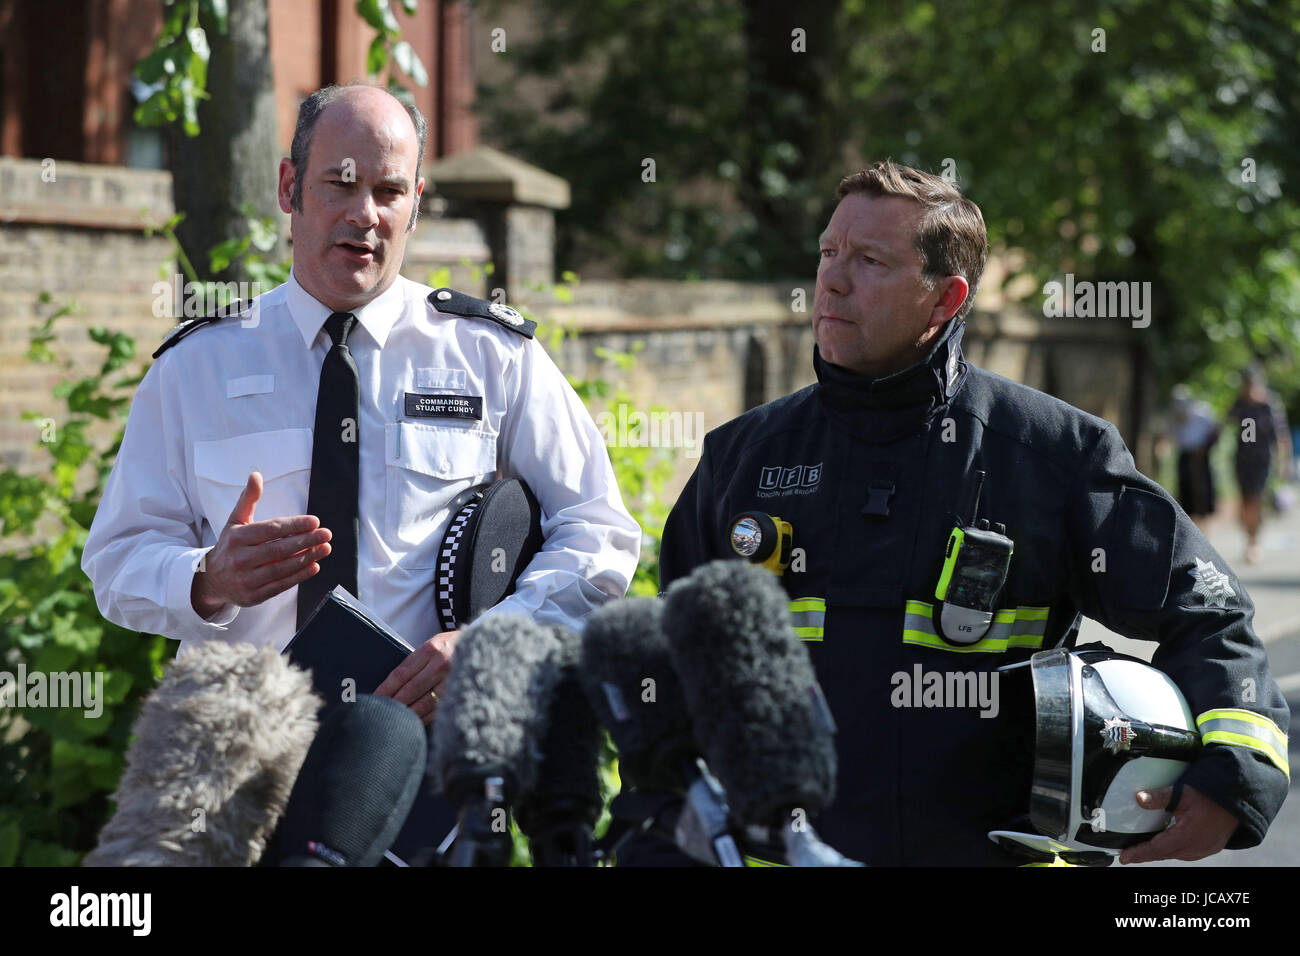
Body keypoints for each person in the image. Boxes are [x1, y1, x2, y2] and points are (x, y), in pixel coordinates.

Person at [644, 160, 1289, 866]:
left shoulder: (1053, 454)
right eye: (829, 252)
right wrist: (650, 825)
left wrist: (1233, 772)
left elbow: (1211, 614)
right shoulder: (743, 458)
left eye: (869, 260)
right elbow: (663, 664)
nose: (829, 280)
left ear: (945, 299)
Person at [82, 84, 641, 728]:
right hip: (237, 757)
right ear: (290, 187)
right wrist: (207, 579)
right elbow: (118, 561)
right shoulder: (197, 367)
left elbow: (598, 530)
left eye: (390, 191)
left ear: (417, 202)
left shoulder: (489, 357)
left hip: (428, 752)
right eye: (340, 184)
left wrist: (496, 644)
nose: (365, 213)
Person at [1227, 367, 1293, 564]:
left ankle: (1253, 543)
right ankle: (1249, 539)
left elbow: (1281, 436)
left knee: (1255, 499)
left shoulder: (1269, 405)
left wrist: (1285, 462)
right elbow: (1225, 423)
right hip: (1241, 460)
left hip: (1262, 461)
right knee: (1244, 502)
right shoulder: (1239, 404)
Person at [1162, 384, 1219, 532]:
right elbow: (1168, 436)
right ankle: (1190, 531)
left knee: (1203, 495)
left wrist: (1204, 448)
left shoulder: (1203, 412)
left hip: (1201, 457)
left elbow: (1215, 432)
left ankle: (1205, 530)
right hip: (1185, 456)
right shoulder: (1172, 417)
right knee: (1186, 494)